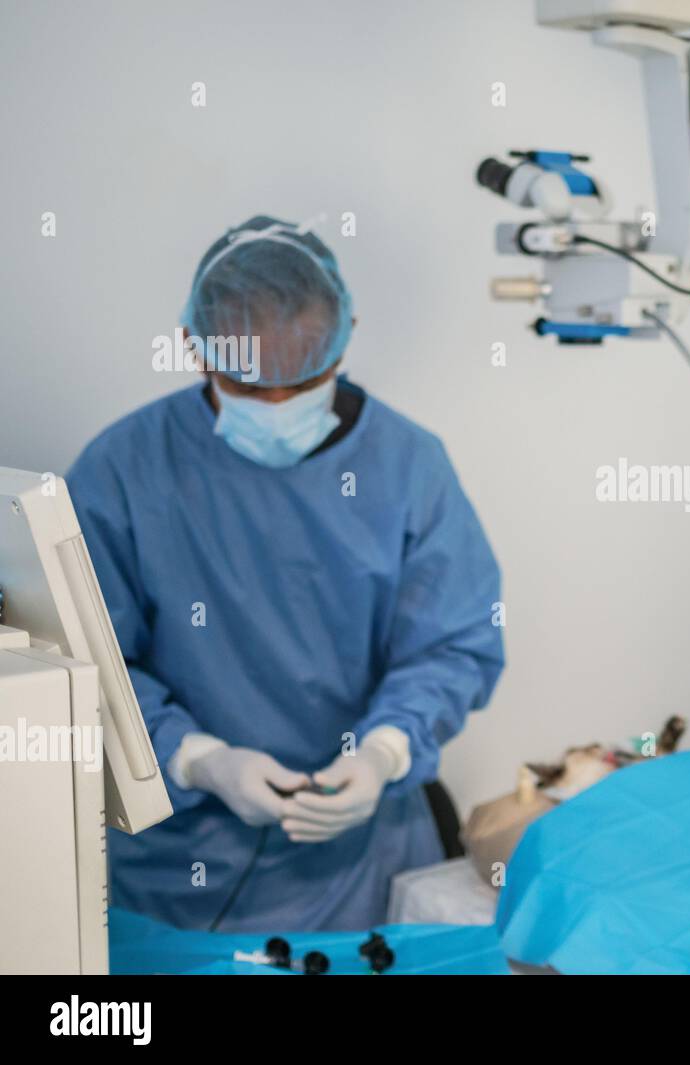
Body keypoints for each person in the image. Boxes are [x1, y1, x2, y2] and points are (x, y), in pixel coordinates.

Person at [68, 216, 505, 931]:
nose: (274, 405)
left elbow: (453, 642)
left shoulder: (407, 465)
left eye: (300, 381)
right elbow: (86, 659)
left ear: (345, 336)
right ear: (194, 345)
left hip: (361, 850)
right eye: (247, 382)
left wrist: (382, 752)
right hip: (174, 861)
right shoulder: (122, 469)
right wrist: (199, 759)